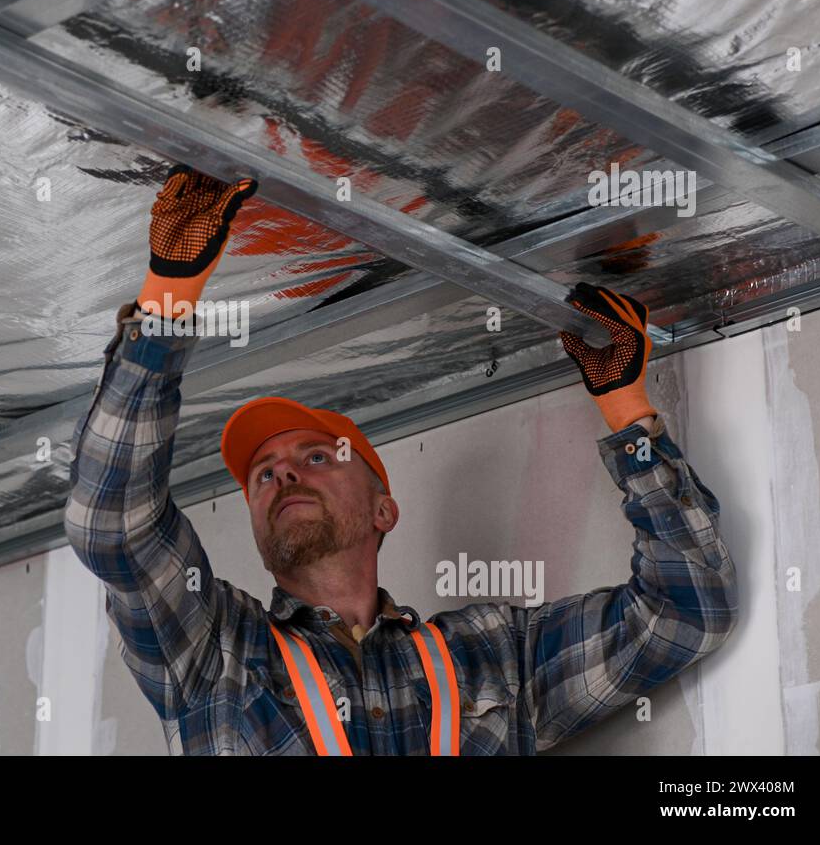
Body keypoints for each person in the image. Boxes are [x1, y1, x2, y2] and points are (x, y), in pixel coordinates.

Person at [64, 164, 739, 755]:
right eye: (263, 475)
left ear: (385, 508)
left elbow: (685, 615)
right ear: (259, 534)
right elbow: (112, 524)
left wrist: (627, 413)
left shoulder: (491, 658)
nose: (282, 474)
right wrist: (167, 296)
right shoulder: (215, 649)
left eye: (316, 456)